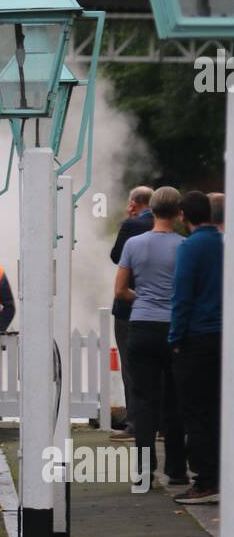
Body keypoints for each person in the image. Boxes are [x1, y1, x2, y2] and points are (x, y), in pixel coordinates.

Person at [114, 186, 187, 489]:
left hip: (140, 326)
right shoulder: (184, 246)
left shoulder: (133, 243)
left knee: (144, 402)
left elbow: (119, 290)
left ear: (152, 210)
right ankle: (177, 470)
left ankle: (144, 472)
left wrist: (142, 297)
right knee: (174, 400)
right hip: (172, 330)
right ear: (178, 213)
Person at [169, 191, 223, 505]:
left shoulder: (190, 248)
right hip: (222, 338)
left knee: (196, 411)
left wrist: (176, 339)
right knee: (218, 408)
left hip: (197, 338)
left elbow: (182, 297)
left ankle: (205, 479)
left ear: (183, 215)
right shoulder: (223, 243)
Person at [109, 186, 154, 438]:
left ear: (134, 203)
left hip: (130, 307)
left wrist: (128, 220)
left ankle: (135, 422)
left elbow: (116, 256)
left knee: (130, 366)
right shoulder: (168, 230)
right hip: (160, 309)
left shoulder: (131, 226)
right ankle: (159, 422)